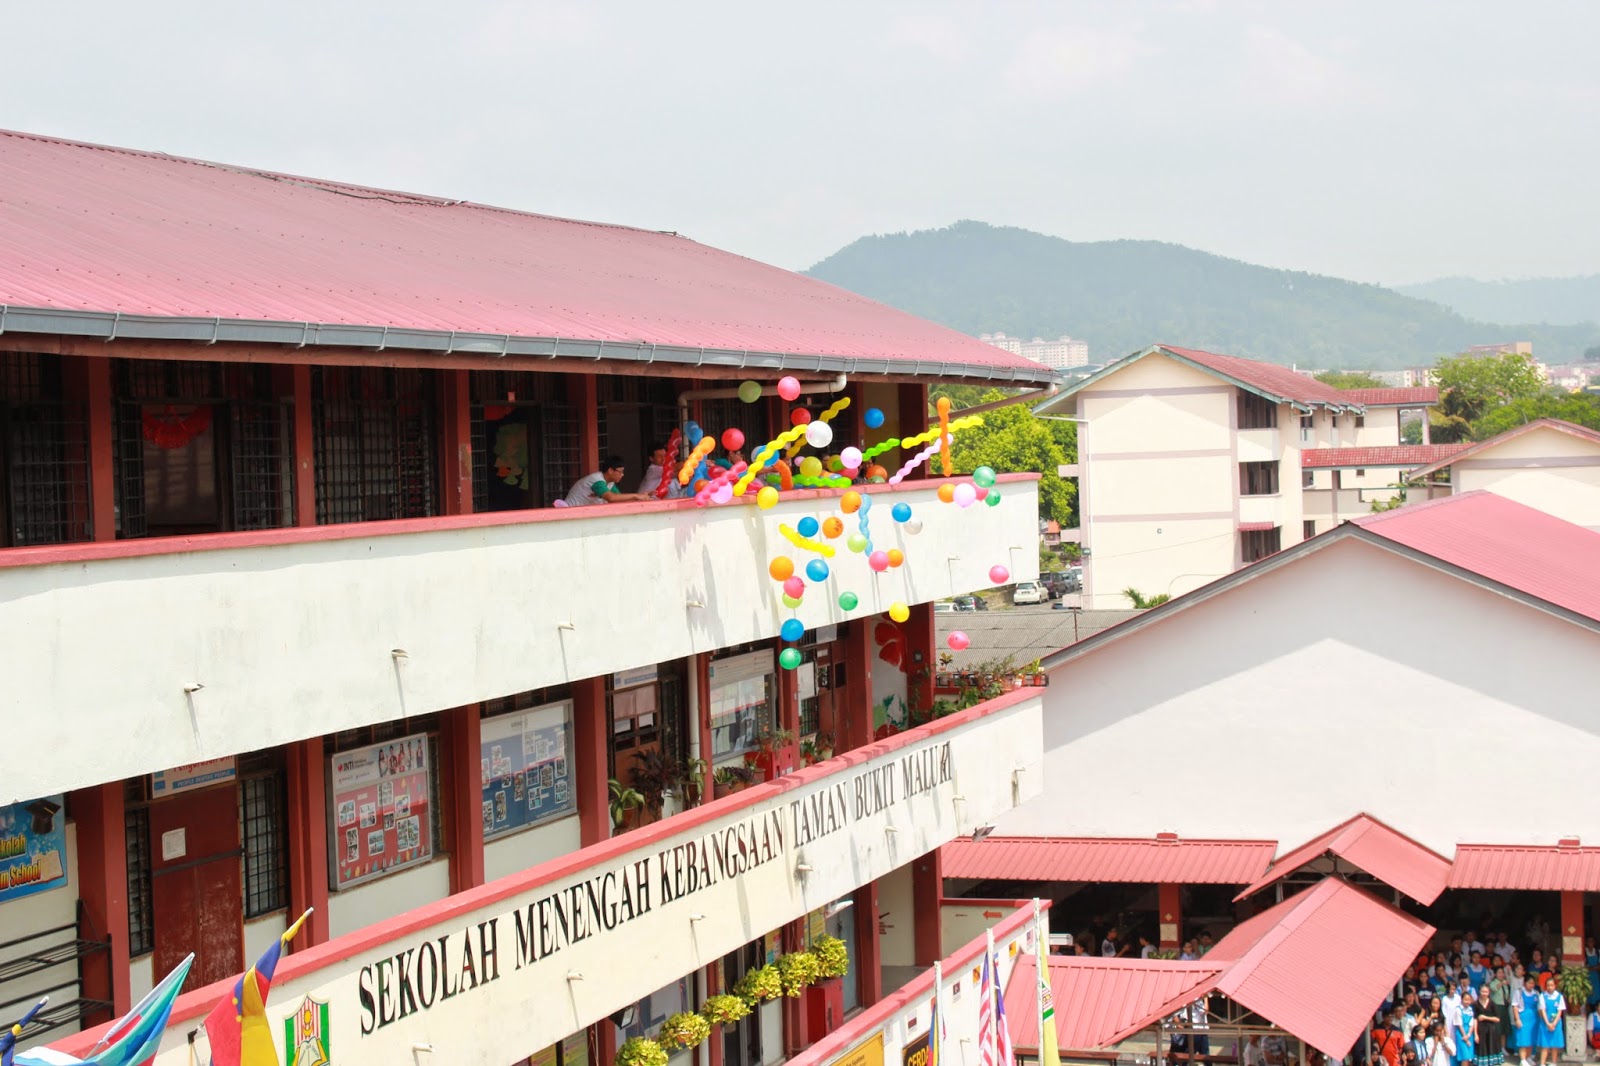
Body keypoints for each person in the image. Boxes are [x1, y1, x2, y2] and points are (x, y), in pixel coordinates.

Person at [564, 455, 650, 506]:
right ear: (610, 471)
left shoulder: (610, 483)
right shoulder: (597, 481)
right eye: (620, 472)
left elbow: (619, 499)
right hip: (569, 513)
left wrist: (642, 496)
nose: (622, 475)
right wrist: (636, 496)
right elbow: (611, 498)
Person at [1536, 976, 1564, 1066]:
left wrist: (1554, 1024)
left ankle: (1553, 1062)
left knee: (1555, 1044)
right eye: (1548, 985)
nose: (1550, 987)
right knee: (1545, 1044)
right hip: (1545, 1023)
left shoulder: (1560, 997)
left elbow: (1560, 1011)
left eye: (1552, 985)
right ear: (1545, 986)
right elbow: (1542, 1010)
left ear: (1555, 985)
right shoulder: (1542, 996)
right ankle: (1542, 1063)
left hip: (1556, 1023)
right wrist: (1548, 1023)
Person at [1474, 985, 1503, 1066]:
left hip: (1491, 1029)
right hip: (1481, 1030)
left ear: (1489, 993)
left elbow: (1497, 1019)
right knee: (1482, 1048)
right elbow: (1475, 1019)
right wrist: (1475, 1033)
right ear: (1479, 991)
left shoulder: (1492, 1003)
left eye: (1486, 992)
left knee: (1491, 1047)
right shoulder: (1476, 1003)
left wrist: (1485, 1017)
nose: (1484, 993)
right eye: (1483, 991)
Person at [1515, 974, 1539, 1066]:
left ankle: (1528, 1057)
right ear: (1525, 983)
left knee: (1531, 1039)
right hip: (1523, 1018)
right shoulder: (1519, 992)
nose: (1531, 985)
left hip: (1534, 1019)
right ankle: (1523, 1059)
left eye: (1533, 983)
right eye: (1529, 983)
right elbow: (1515, 1006)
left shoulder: (1536, 993)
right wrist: (1517, 1019)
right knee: (1523, 1039)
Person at [1455, 993, 1476, 1066]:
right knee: (1464, 1056)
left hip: (1469, 1034)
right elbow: (1459, 1024)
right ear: (1461, 999)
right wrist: (1465, 1038)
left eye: (1469, 1000)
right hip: (1461, 1034)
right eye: (1465, 1000)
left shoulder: (1470, 1009)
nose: (1467, 1001)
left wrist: (1469, 1034)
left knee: (1469, 1056)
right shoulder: (1458, 1009)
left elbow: (1471, 1023)